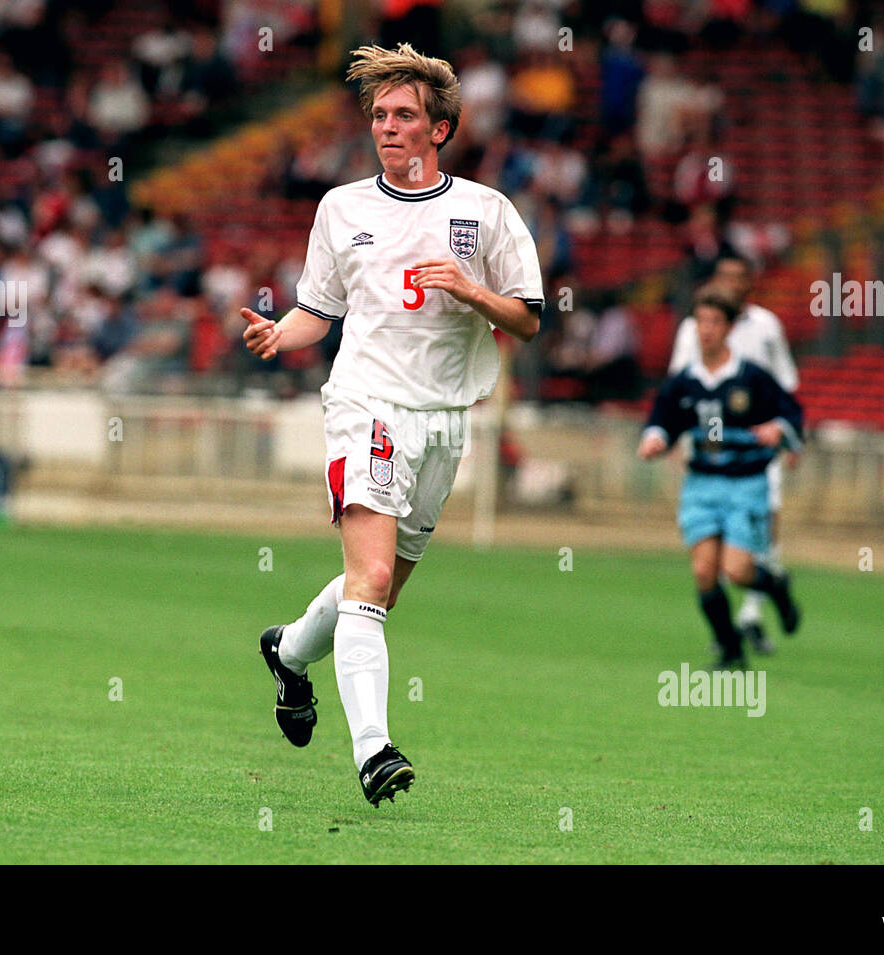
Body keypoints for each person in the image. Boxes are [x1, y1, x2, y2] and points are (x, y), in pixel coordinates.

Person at [241, 43, 544, 806]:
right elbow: (319, 311)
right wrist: (282, 334)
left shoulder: (487, 211)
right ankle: (375, 752)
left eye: (404, 114)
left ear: (440, 129)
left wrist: (472, 293)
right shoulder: (342, 208)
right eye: (379, 114)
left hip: (444, 422)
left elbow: (529, 319)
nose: (387, 126)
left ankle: (287, 650)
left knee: (372, 590)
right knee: (370, 580)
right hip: (365, 406)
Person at [639, 285, 802, 669]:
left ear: (730, 328)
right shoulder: (685, 381)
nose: (706, 329)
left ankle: (776, 586)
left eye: (715, 321)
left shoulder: (753, 378)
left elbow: (791, 412)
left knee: (737, 570)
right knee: (703, 571)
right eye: (700, 321)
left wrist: (779, 429)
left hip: (746, 484)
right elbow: (663, 418)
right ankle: (730, 647)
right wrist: (655, 438)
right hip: (701, 485)